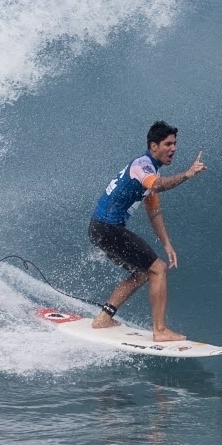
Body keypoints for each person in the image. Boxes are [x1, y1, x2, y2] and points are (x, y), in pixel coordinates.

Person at [88, 120, 206, 341]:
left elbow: (154, 212)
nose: (174, 149)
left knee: (144, 272)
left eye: (175, 144)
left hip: (102, 229)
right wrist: (187, 174)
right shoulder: (142, 167)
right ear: (154, 146)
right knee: (158, 269)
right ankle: (160, 331)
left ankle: (104, 317)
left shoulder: (150, 170)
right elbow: (157, 185)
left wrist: (167, 244)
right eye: (168, 144)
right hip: (107, 228)